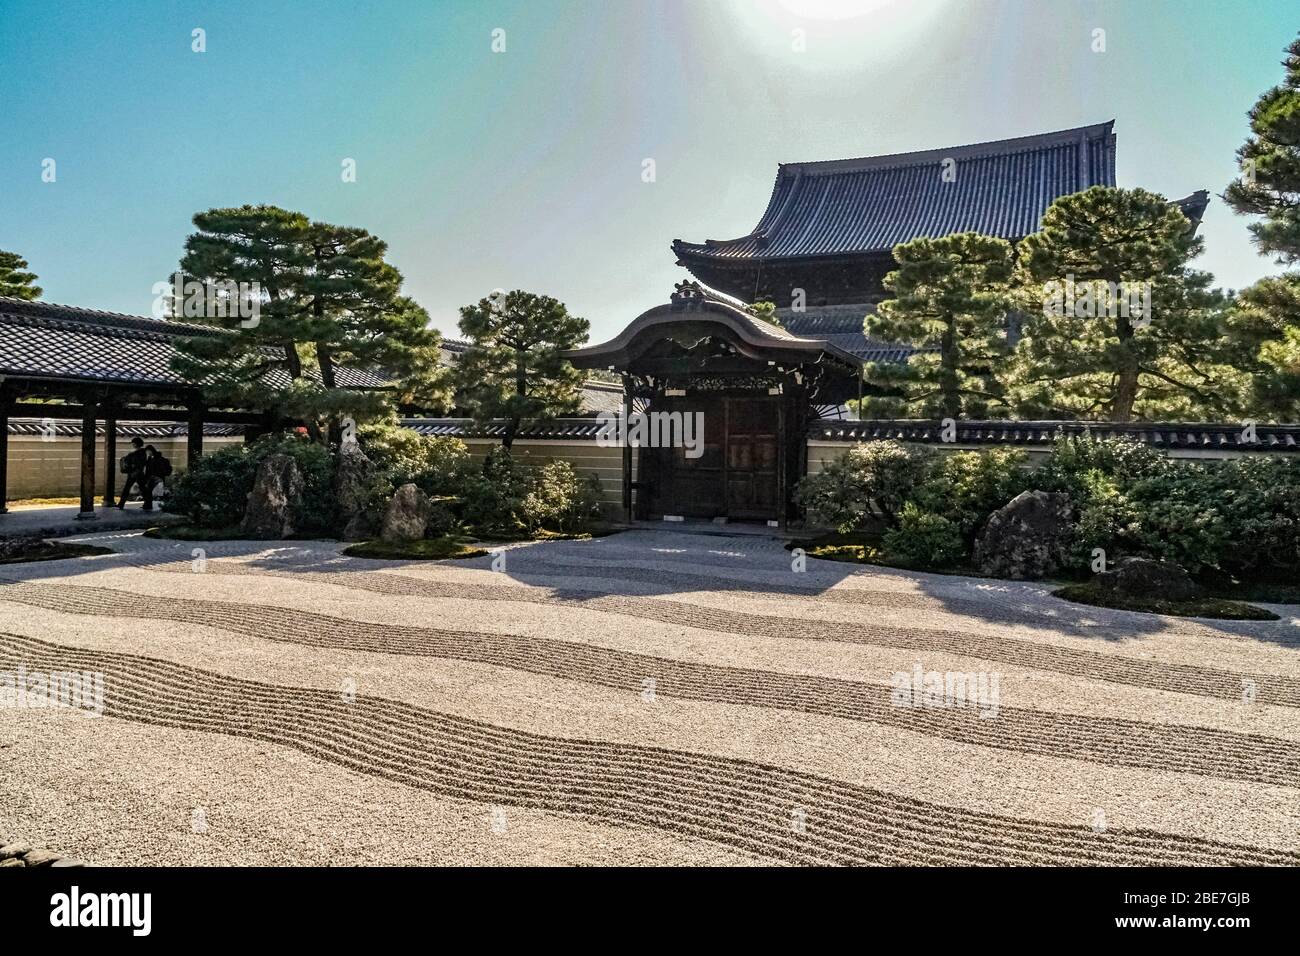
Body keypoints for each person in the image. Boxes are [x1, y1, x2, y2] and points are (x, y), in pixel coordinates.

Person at [117, 437, 151, 509]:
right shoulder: (142, 453)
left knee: (128, 488)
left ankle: (121, 504)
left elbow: (139, 463)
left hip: (135, 473)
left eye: (133, 443)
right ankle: (148, 504)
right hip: (137, 473)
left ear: (136, 444)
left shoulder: (139, 453)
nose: (133, 445)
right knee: (142, 489)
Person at [142, 445, 173, 510]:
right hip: (153, 477)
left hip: (156, 477)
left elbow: (156, 469)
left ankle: (148, 505)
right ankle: (147, 505)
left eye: (147, 451)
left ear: (150, 450)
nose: (147, 453)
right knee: (148, 491)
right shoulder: (150, 458)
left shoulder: (157, 459)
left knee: (149, 491)